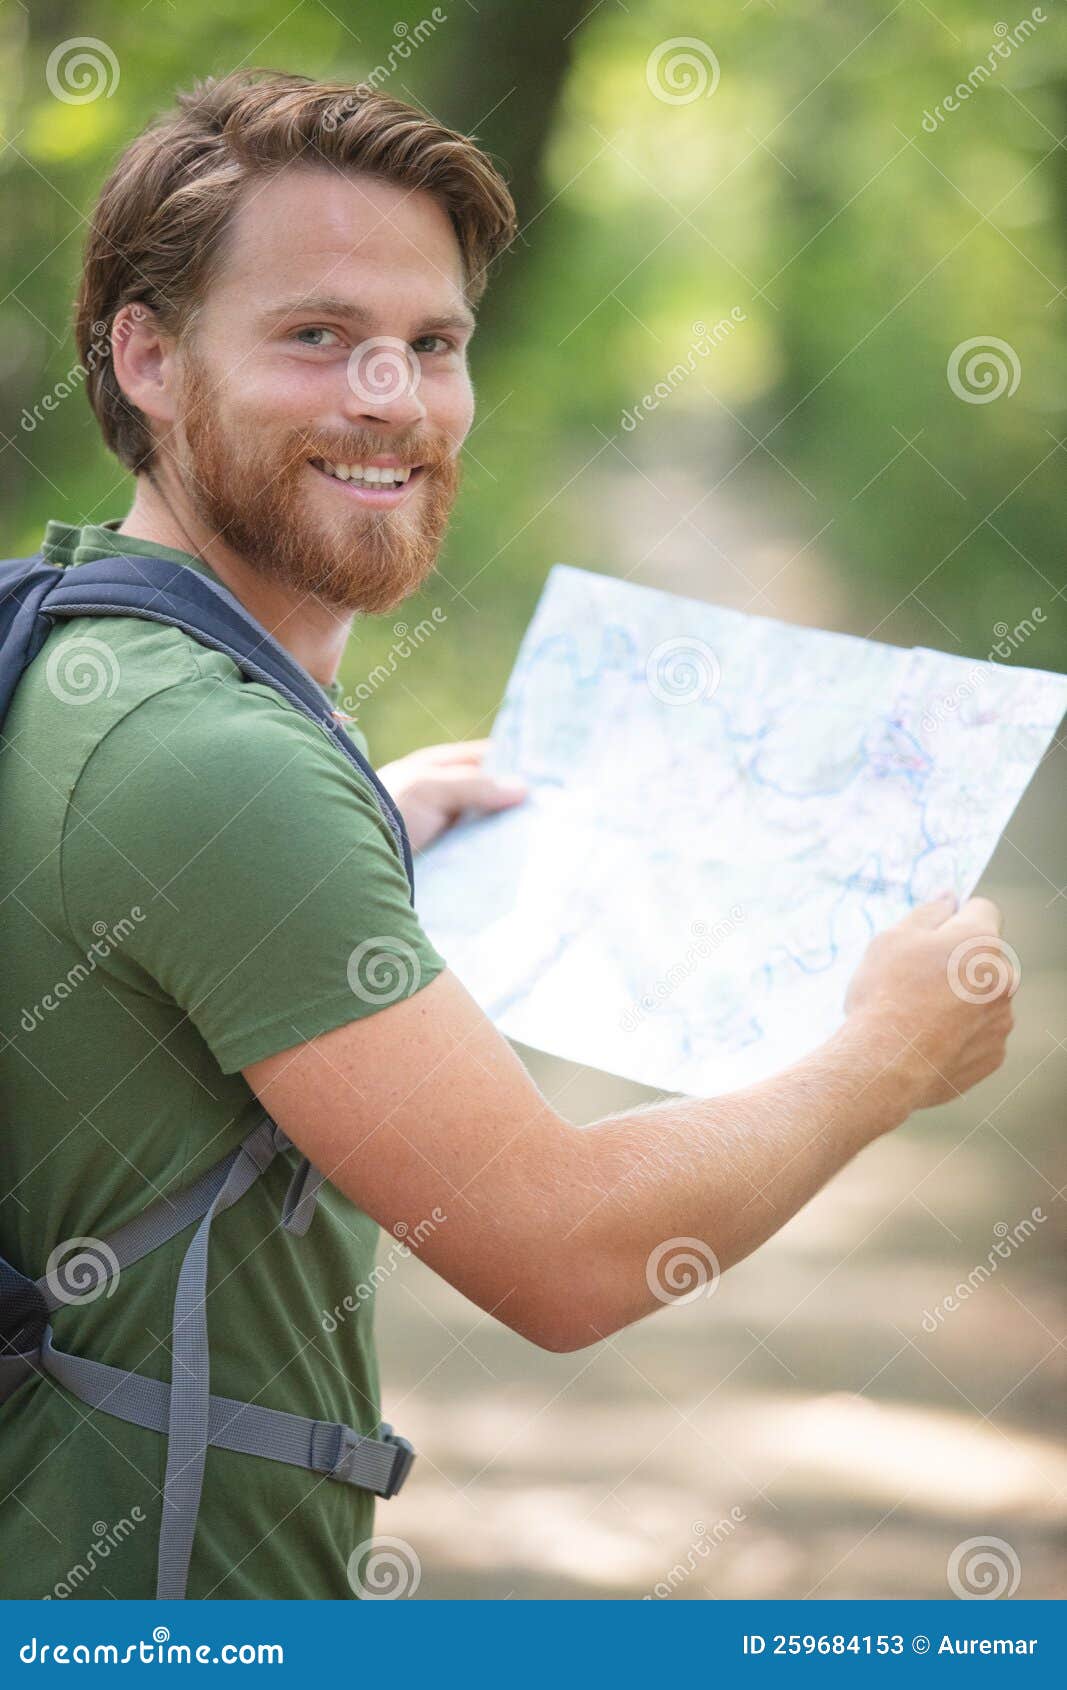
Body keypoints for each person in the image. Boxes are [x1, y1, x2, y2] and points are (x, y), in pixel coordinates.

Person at [0, 68, 1015, 1600]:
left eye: (434, 344)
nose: (392, 398)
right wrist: (884, 1055)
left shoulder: (72, 642)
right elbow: (563, 1254)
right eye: (316, 337)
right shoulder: (214, 765)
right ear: (145, 354)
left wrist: (361, 825)